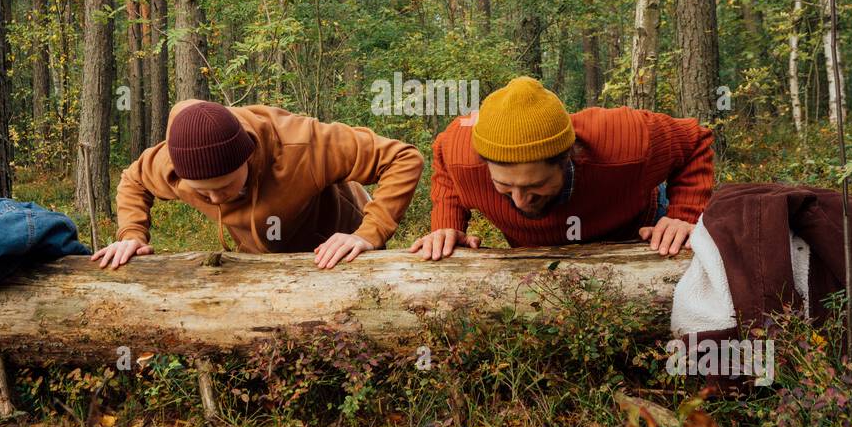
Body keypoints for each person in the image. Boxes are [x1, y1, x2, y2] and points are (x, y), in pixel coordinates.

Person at [93, 99, 424, 270]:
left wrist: (367, 234)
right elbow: (132, 180)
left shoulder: (302, 146)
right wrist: (131, 236)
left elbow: (403, 158)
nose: (214, 198)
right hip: (265, 263)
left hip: (342, 245)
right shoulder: (171, 164)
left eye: (223, 187)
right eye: (201, 191)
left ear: (248, 155)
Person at [411, 76, 714, 260]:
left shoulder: (626, 140)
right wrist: (447, 225)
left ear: (567, 157)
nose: (519, 201)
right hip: (537, 250)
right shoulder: (460, 149)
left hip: (637, 226)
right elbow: (447, 171)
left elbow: (695, 140)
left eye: (534, 187)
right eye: (505, 186)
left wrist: (684, 216)